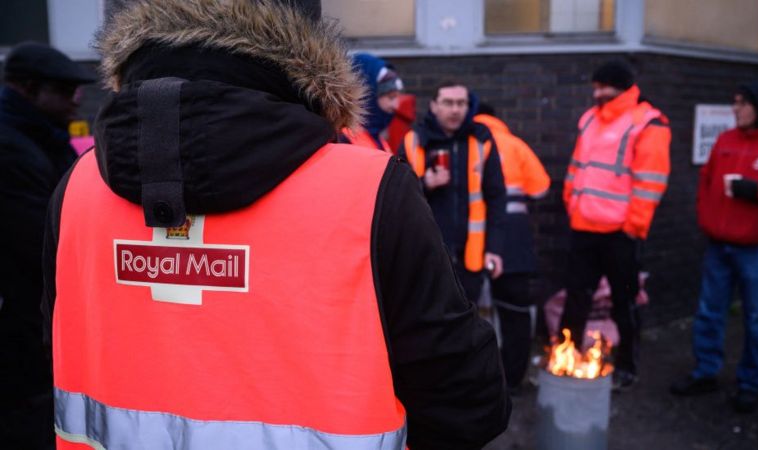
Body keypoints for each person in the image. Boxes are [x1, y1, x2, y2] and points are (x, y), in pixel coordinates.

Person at [41, 1, 510, 449]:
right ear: (306, 51)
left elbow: (57, 343)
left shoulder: (76, 189)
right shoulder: (369, 190)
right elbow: (466, 403)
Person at [670, 80, 758, 413]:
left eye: (743, 103)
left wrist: (755, 190)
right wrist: (705, 219)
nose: (736, 109)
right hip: (719, 244)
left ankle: (749, 384)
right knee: (709, 312)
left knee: (756, 317)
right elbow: (707, 182)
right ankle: (705, 372)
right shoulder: (726, 139)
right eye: (735, 102)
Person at [0, 42, 95, 449]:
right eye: (64, 90)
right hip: (19, 313)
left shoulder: (39, 135)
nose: (77, 100)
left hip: (31, 309)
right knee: (24, 409)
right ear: (26, 88)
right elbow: (40, 236)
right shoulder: (11, 146)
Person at [560, 60, 671, 389]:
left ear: (618, 87)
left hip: (620, 233)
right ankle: (566, 356)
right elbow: (577, 167)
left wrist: (634, 227)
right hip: (584, 226)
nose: (595, 93)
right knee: (576, 298)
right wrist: (572, 203)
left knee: (624, 302)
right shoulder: (590, 119)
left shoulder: (648, 123)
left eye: (600, 86)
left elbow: (650, 181)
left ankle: (627, 367)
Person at [398, 82, 506, 304]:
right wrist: (425, 183)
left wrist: (494, 248)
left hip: (471, 255)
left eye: (461, 103)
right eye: (448, 103)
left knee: (468, 321)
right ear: (434, 106)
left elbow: (496, 197)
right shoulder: (414, 140)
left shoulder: (481, 139)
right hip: (426, 254)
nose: (455, 109)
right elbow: (398, 195)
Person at [474, 103, 550, 392]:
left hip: (472, 235)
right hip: (513, 238)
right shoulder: (515, 145)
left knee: (467, 308)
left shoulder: (467, 144)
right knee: (515, 311)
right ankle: (513, 378)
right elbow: (540, 188)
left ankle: (475, 377)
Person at [339, 53, 403, 151]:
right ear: (368, 96)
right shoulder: (343, 140)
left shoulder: (379, 139)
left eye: (398, 97)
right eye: (391, 97)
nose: (396, 105)